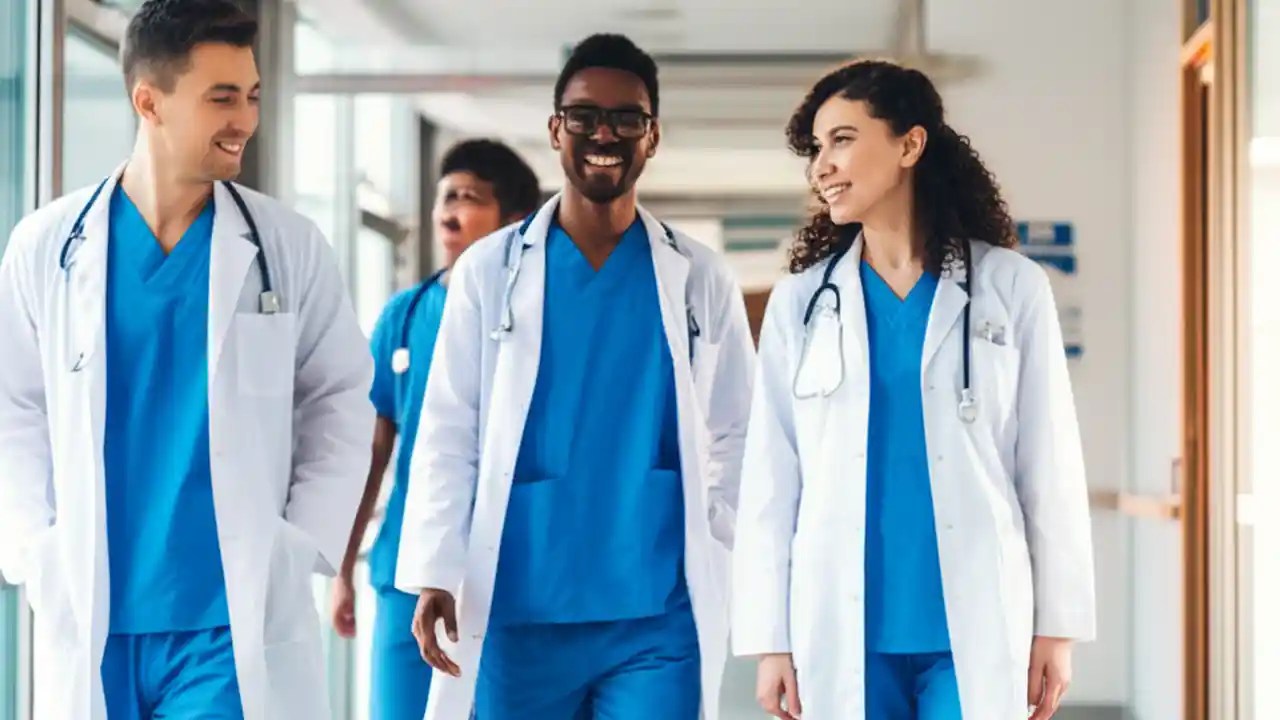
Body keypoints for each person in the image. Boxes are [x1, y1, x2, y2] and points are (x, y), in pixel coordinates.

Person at [0, 1, 373, 718]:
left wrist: (299, 543)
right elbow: (13, 406)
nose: (245, 118)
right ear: (151, 102)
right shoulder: (47, 247)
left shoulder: (286, 246)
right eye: (222, 97)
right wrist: (34, 548)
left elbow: (339, 395)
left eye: (253, 95)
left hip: (226, 624)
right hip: (96, 612)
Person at [393, 33, 755, 720]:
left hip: (658, 615)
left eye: (627, 118)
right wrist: (436, 569)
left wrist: (723, 538)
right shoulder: (489, 271)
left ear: (652, 137)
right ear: (556, 129)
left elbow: (739, 430)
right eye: (585, 115)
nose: (604, 133)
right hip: (518, 610)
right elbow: (449, 428)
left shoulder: (699, 277)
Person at [731, 60, 1096, 720]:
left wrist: (1058, 628)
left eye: (842, 139)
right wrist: (770, 642)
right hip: (843, 626)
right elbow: (771, 482)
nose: (822, 165)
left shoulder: (1011, 288)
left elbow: (1049, 465)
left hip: (974, 624)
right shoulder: (801, 304)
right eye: (816, 148)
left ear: (909, 144)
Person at [330, 139, 541, 720]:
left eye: (470, 197)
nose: (449, 209)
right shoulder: (405, 314)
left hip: (509, 570)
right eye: (445, 195)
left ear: (514, 219)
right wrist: (344, 568)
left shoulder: (535, 317)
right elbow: (373, 452)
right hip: (406, 564)